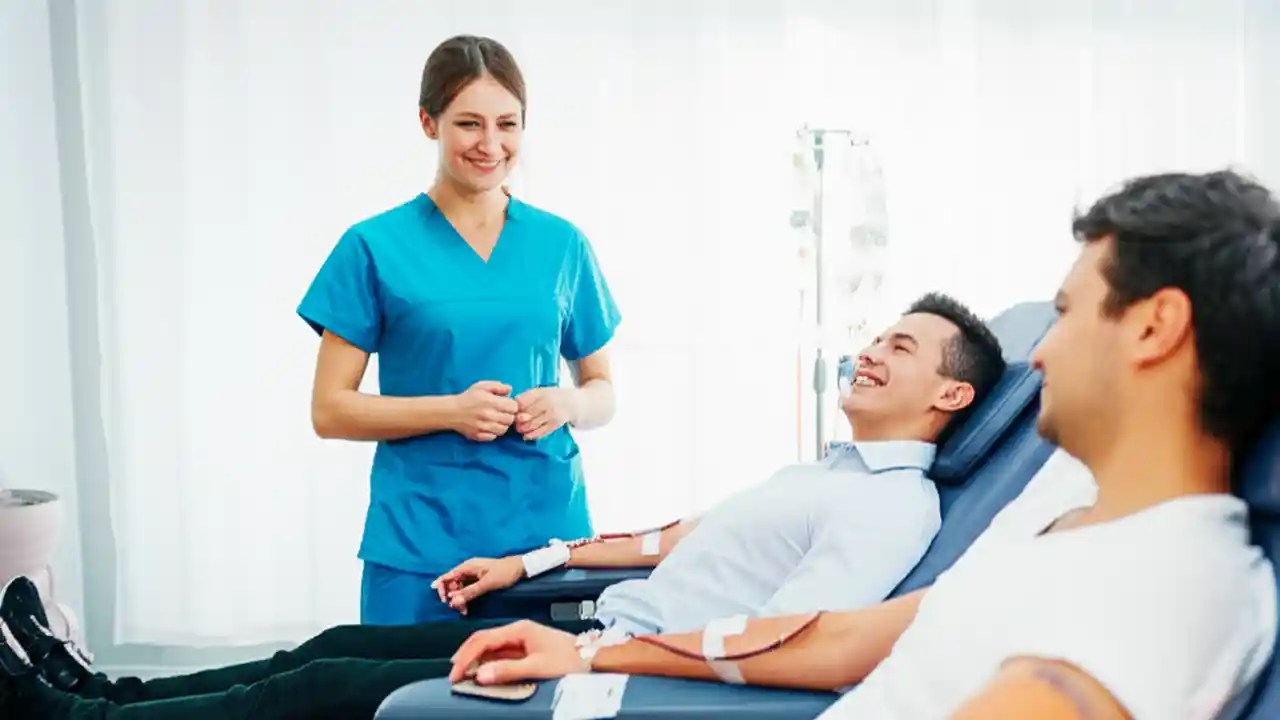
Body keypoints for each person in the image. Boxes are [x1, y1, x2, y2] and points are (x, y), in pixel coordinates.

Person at [443, 169, 1280, 719]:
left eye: (1067, 314)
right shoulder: (1063, 531)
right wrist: (586, 651)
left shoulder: (1167, 586)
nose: (1041, 353)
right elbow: (835, 639)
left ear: (1156, 326)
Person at [0, 293, 1006, 719]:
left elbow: (786, 643)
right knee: (324, 648)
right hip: (594, 634)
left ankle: (61, 717)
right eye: (878, 334)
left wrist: (586, 652)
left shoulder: (891, 508)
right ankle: (106, 696)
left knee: (320, 692)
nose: (870, 349)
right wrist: (525, 568)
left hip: (608, 675)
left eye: (902, 348)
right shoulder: (827, 473)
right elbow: (668, 541)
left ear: (950, 395)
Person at [297, 35, 623, 626]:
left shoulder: (562, 244)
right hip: (420, 541)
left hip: (546, 537)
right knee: (401, 702)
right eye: (469, 123)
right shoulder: (373, 246)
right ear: (429, 123)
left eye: (508, 124)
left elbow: (603, 392)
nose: (491, 144)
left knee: (547, 708)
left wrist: (568, 401)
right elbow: (330, 410)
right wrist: (451, 411)